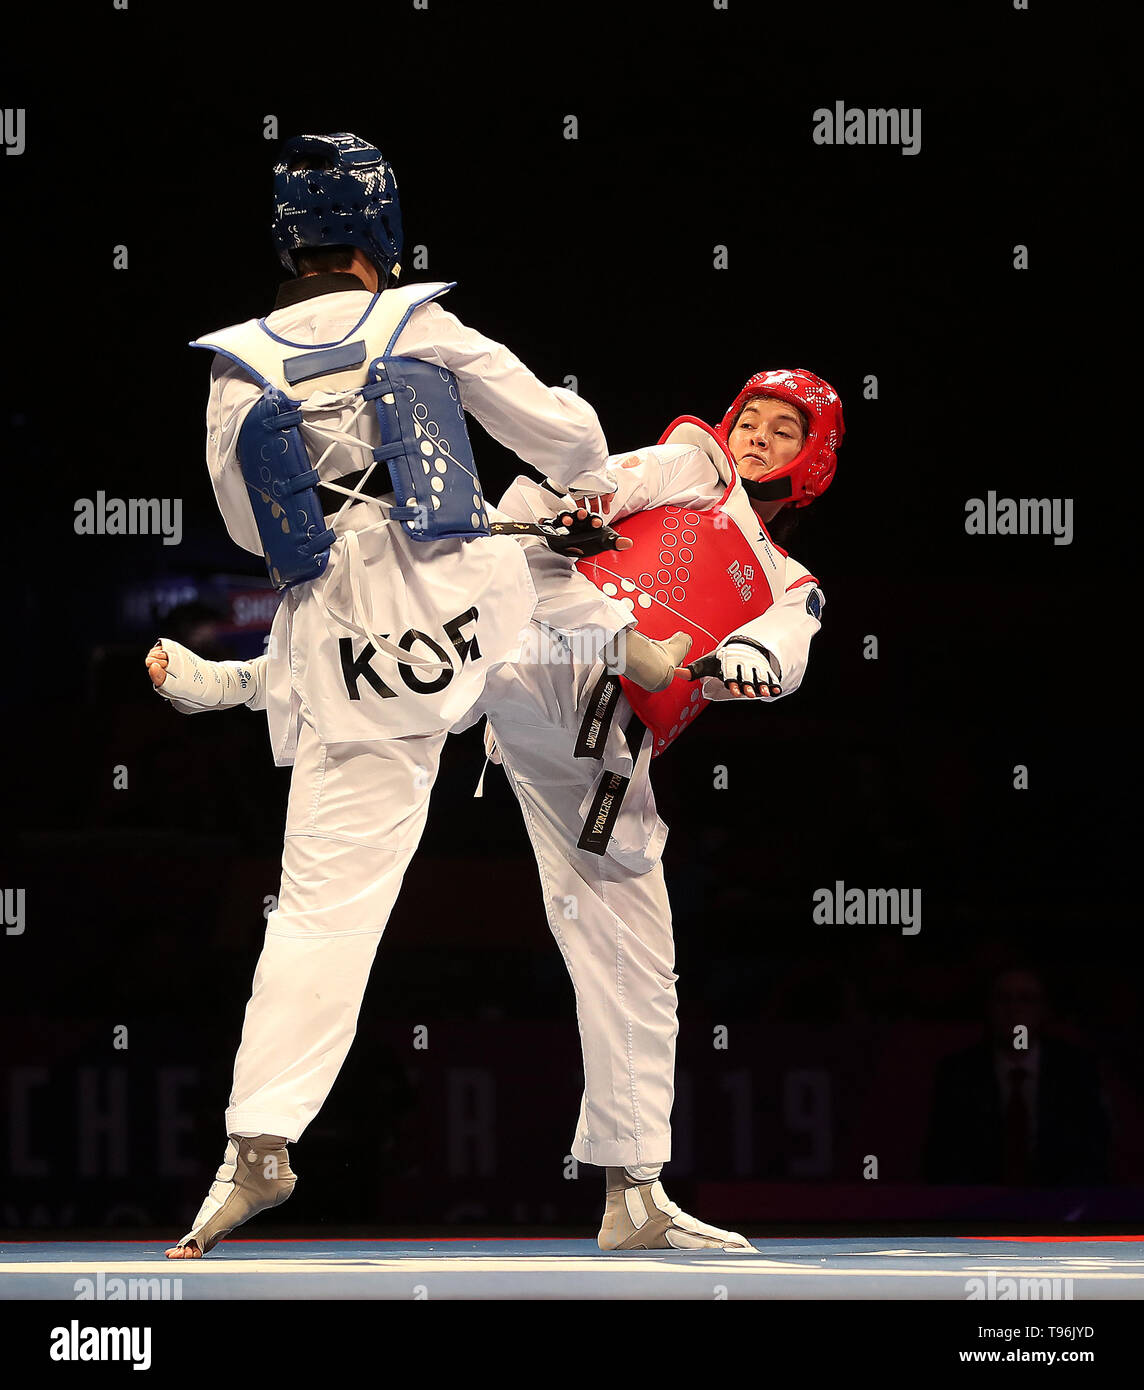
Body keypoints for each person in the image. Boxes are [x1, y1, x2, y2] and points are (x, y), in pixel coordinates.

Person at [153, 365, 844, 1252]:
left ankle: (633, 1191)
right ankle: (253, 677)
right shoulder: (690, 463)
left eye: (784, 432)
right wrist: (573, 513)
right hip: (537, 635)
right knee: (418, 596)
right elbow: (598, 479)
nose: (756, 438)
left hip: (603, 738)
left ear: (812, 462)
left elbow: (787, 648)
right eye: (752, 419)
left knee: (636, 947)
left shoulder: (792, 580)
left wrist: (750, 657)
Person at [157, 130, 685, 1260]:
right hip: (474, 601)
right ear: (382, 233)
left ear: (287, 241)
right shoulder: (421, 323)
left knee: (322, 909)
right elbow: (575, 435)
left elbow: (250, 527)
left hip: (344, 649)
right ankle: (649, 653)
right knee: (550, 575)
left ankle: (255, 1144)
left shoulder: (233, 361)